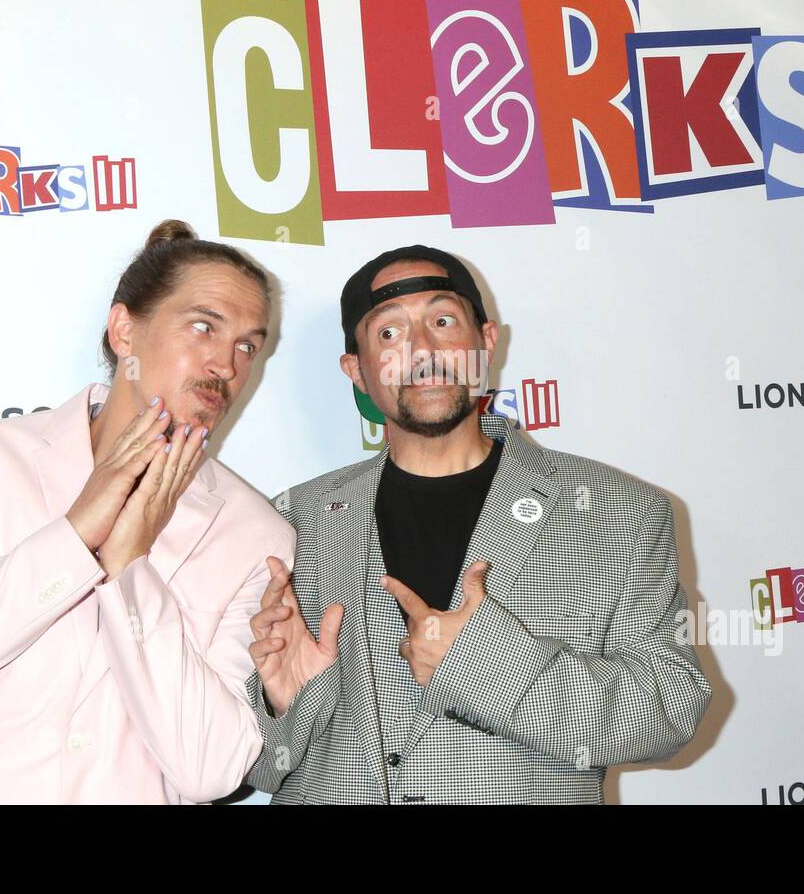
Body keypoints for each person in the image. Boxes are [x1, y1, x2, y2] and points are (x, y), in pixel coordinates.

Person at [243, 244, 712, 804]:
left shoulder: (618, 510)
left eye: (443, 321)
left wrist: (485, 665)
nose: (422, 350)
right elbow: (261, 771)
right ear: (357, 372)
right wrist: (282, 705)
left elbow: (669, 714)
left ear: (486, 341)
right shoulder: (294, 521)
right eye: (389, 335)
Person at [0, 219, 293, 804]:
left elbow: (210, 769)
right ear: (124, 331)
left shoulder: (255, 533)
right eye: (202, 327)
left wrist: (129, 568)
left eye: (247, 345)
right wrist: (74, 535)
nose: (226, 365)